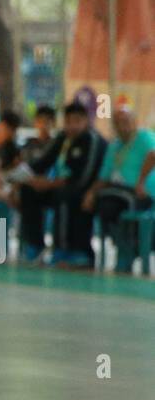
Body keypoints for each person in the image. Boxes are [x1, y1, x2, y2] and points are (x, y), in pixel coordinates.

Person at [20, 101, 106, 267]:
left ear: (86, 121)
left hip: (88, 191)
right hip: (61, 186)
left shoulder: (92, 140)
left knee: (65, 195)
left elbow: (83, 178)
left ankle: (69, 250)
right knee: (28, 190)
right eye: (68, 122)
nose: (71, 126)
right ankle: (35, 245)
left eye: (76, 121)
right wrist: (24, 177)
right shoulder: (63, 137)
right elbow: (43, 162)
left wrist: (50, 184)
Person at [83, 102, 155, 272]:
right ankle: (123, 247)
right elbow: (104, 176)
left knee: (118, 205)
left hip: (141, 194)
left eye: (126, 120)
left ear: (134, 121)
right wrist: (91, 193)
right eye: (118, 122)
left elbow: (153, 155)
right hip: (116, 191)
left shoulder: (144, 138)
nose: (123, 125)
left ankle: (129, 250)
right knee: (101, 205)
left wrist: (141, 182)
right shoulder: (114, 146)